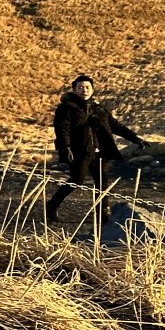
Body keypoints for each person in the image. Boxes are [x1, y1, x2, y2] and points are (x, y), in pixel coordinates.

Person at [47, 75, 147, 221]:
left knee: (102, 182)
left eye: (87, 87)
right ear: (74, 89)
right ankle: (53, 204)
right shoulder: (66, 108)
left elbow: (115, 125)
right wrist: (66, 147)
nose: (84, 90)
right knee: (76, 180)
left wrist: (135, 138)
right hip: (79, 151)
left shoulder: (98, 108)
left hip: (100, 151)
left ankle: (103, 214)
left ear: (93, 89)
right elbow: (62, 129)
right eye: (80, 87)